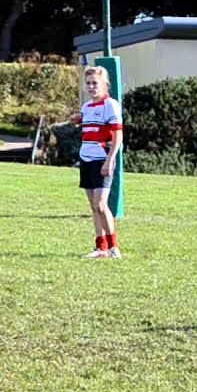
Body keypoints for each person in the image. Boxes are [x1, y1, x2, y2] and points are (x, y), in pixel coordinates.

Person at [70, 66, 124, 259]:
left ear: (105, 85)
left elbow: (118, 136)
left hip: (102, 159)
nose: (92, 87)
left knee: (101, 204)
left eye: (95, 83)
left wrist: (110, 160)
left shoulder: (111, 105)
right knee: (93, 206)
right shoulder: (87, 107)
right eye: (89, 83)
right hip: (86, 159)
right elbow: (87, 123)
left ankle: (113, 246)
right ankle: (100, 247)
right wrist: (77, 119)